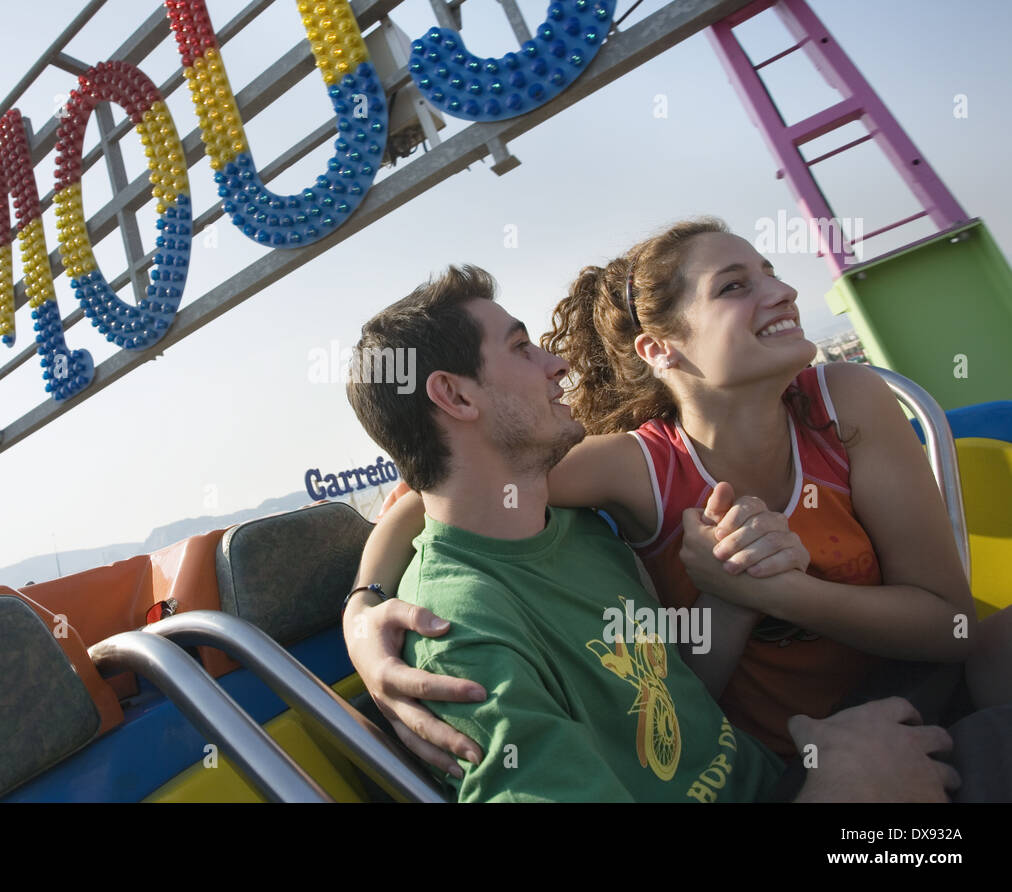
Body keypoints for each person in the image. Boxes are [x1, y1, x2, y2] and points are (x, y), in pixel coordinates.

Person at [344, 218, 1010, 777]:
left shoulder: (844, 403)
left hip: (914, 681)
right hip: (793, 755)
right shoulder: (637, 470)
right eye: (735, 287)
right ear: (658, 349)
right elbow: (436, 498)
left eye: (771, 272)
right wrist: (364, 621)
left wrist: (775, 593)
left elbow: (947, 627)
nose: (782, 293)